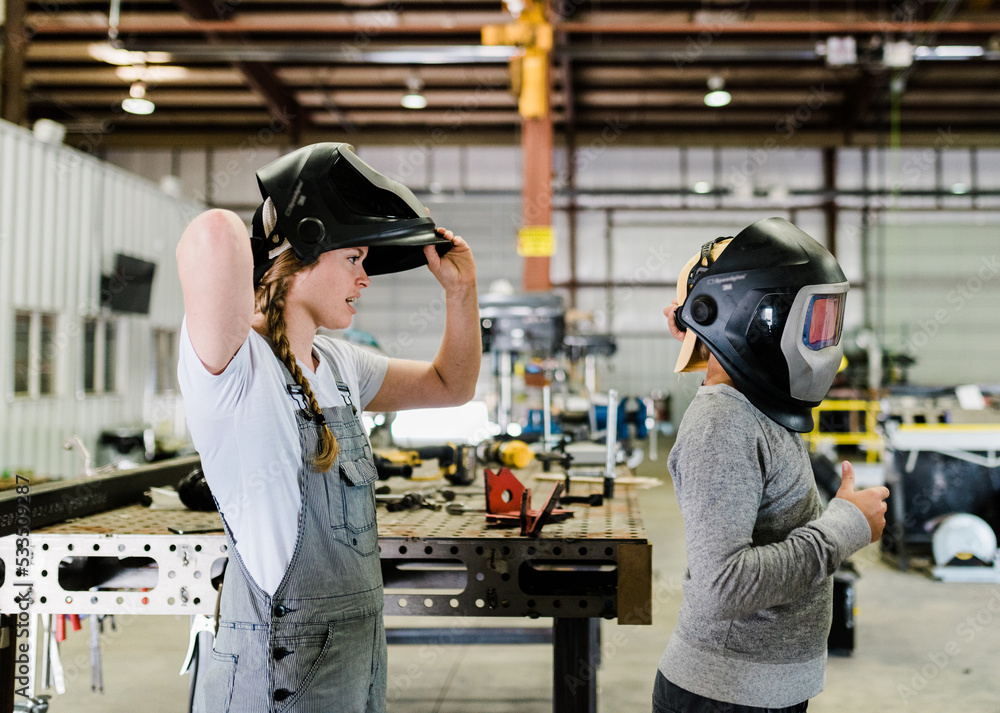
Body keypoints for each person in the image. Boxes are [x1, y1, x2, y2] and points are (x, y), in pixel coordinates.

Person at [175, 143, 480, 713]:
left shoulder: (338, 364)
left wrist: (461, 293)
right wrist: (276, 232)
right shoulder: (235, 368)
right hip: (280, 674)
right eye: (354, 259)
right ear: (306, 248)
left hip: (356, 655)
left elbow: (450, 385)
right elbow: (215, 233)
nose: (365, 279)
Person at [655, 217, 890, 713]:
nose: (820, 340)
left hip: (758, 692)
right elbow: (725, 585)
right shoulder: (722, 422)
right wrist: (843, 529)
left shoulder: (760, 403)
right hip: (725, 697)